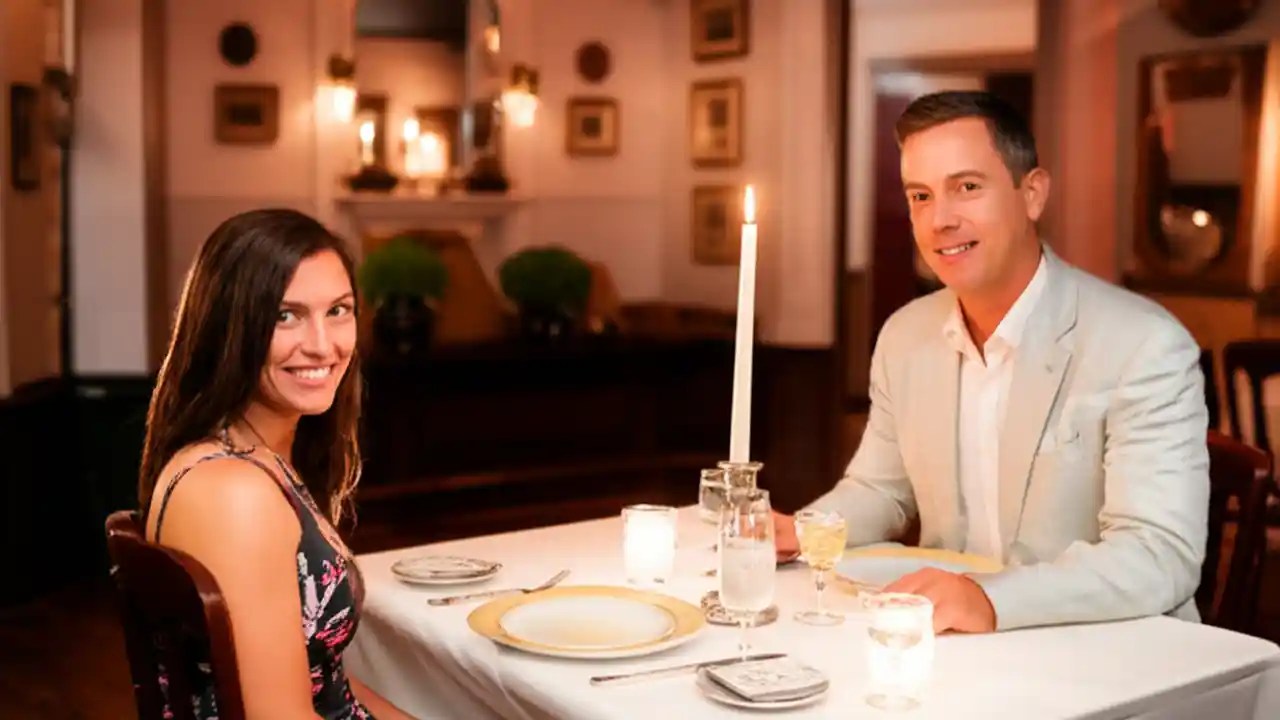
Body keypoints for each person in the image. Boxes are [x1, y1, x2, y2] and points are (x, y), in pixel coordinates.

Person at [776, 91, 1209, 634]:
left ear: (1031, 194)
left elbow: (1158, 555)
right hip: (948, 645)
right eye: (920, 196)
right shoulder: (904, 335)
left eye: (968, 188)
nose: (940, 220)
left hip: (1107, 649)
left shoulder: (1144, 345)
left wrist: (990, 599)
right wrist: (804, 530)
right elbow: (879, 490)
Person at [137, 209, 413, 719]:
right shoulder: (232, 493)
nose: (322, 345)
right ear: (227, 327)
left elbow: (326, 684)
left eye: (338, 310)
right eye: (285, 315)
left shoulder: (260, 458)